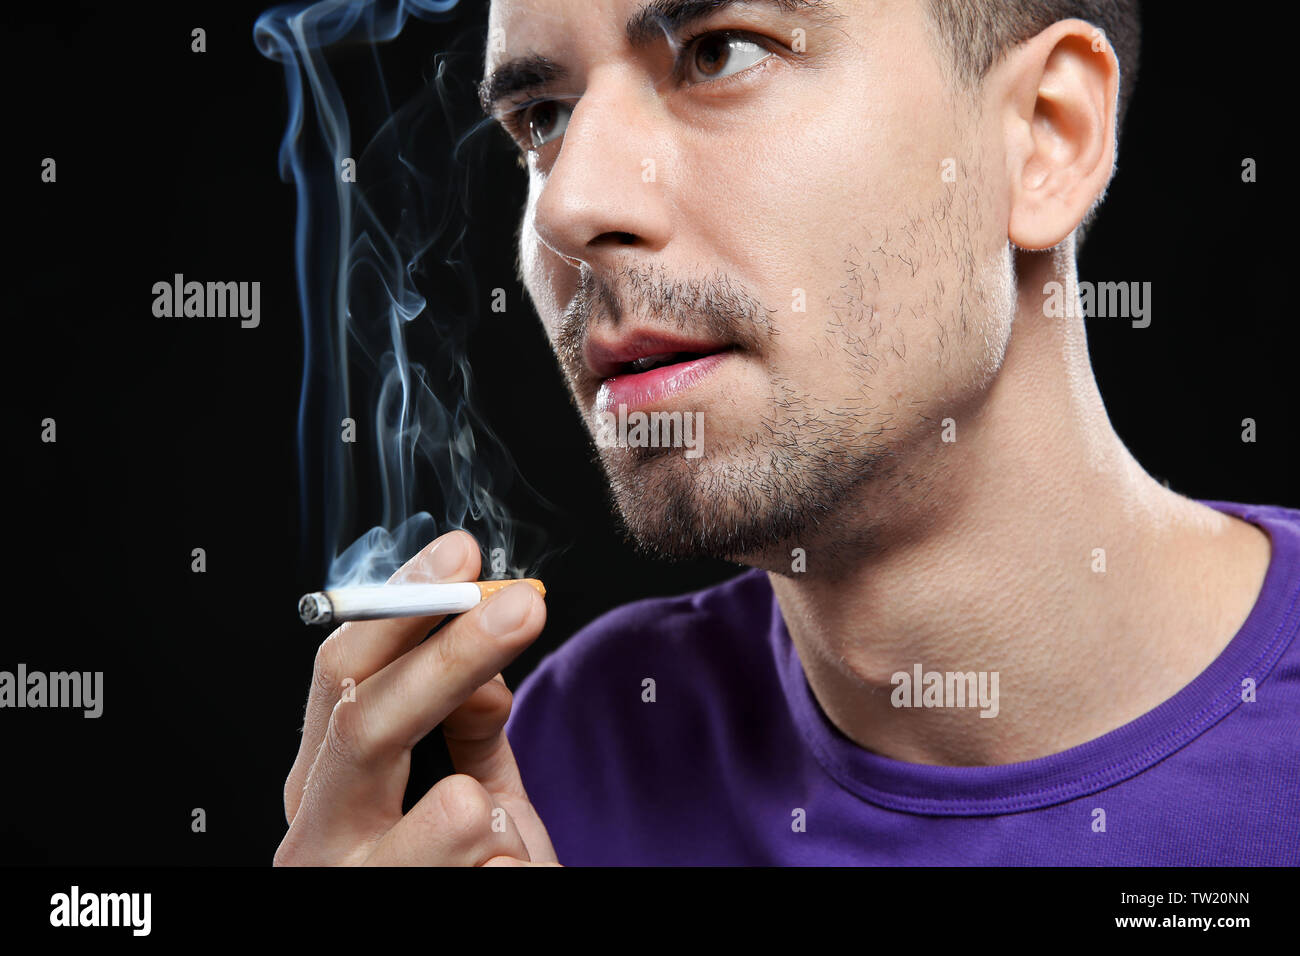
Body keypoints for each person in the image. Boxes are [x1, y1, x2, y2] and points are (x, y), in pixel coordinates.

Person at [274, 0, 1299, 865]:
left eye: (718, 52)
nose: (570, 205)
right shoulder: (571, 751)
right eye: (542, 117)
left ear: (1044, 132)